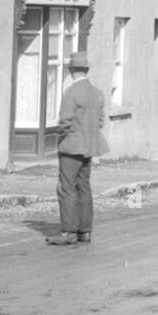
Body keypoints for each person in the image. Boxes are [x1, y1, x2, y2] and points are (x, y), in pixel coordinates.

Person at [47, 52, 107, 246]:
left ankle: (68, 231)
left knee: (66, 188)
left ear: (71, 70)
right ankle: (84, 231)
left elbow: (65, 121)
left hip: (71, 147)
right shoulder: (97, 93)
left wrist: (60, 137)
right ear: (87, 70)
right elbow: (100, 121)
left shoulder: (71, 92)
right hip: (89, 147)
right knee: (84, 187)